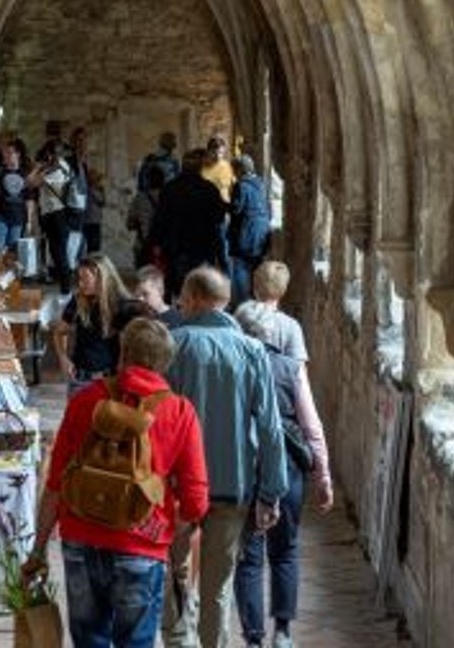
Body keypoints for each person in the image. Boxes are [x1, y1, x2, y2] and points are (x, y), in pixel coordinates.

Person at [24, 318, 209, 647]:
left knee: (89, 641)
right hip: (141, 545)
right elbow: (196, 501)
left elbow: (55, 484)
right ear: (166, 362)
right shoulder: (180, 412)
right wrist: (164, 529)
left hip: (81, 539)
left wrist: (38, 550)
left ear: (122, 352)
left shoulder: (85, 401)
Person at [164, 266, 288, 648]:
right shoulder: (251, 351)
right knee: (219, 584)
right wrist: (271, 491)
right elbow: (269, 426)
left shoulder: (173, 346)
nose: (180, 305)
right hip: (233, 482)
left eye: (184, 298)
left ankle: (177, 641)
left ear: (199, 299)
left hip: (177, 486)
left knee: (172, 576)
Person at [233, 311, 333, 648]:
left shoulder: (233, 367)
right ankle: (284, 631)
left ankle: (253, 636)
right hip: (288, 468)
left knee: (249, 555)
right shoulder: (291, 369)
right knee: (285, 550)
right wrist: (323, 477)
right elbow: (312, 428)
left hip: (244, 469)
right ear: (274, 337)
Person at [53, 254, 143, 397]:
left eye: (85, 279)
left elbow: (133, 344)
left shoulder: (123, 305)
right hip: (80, 378)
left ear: (101, 278)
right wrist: (63, 358)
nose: (80, 284)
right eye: (79, 279)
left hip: (111, 379)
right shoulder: (78, 301)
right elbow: (59, 331)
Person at [148, 149, 228, 298]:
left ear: (182, 167)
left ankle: (180, 317)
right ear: (200, 168)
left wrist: (155, 242)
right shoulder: (209, 189)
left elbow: (160, 219)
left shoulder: (170, 189)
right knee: (200, 287)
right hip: (202, 248)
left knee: (179, 289)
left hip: (176, 247)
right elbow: (219, 219)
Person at [233, 261, 307, 362]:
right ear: (284, 290)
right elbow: (299, 370)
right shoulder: (291, 326)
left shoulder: (240, 315)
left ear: (254, 286)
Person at [28, 138, 75, 294]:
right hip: (51, 214)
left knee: (59, 253)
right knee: (56, 253)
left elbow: (31, 182)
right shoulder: (57, 167)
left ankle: (66, 289)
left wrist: (38, 168)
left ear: (51, 154)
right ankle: (64, 288)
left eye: (48, 154)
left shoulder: (58, 169)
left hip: (57, 214)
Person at [228, 155, 272, 305]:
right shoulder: (261, 183)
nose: (234, 173)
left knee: (240, 270)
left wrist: (223, 204)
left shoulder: (241, 185)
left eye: (234, 170)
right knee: (256, 269)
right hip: (262, 234)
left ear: (240, 170)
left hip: (246, 234)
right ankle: (257, 303)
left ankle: (242, 306)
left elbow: (236, 209)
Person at [127, 166, 165, 267]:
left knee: (143, 277)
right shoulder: (169, 196)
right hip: (163, 245)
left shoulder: (140, 198)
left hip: (143, 244)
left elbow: (130, 224)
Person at [201, 135, 235, 204]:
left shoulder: (227, 166)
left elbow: (233, 186)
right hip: (206, 205)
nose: (218, 157)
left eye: (221, 153)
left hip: (224, 205)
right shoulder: (201, 166)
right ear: (208, 151)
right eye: (214, 153)